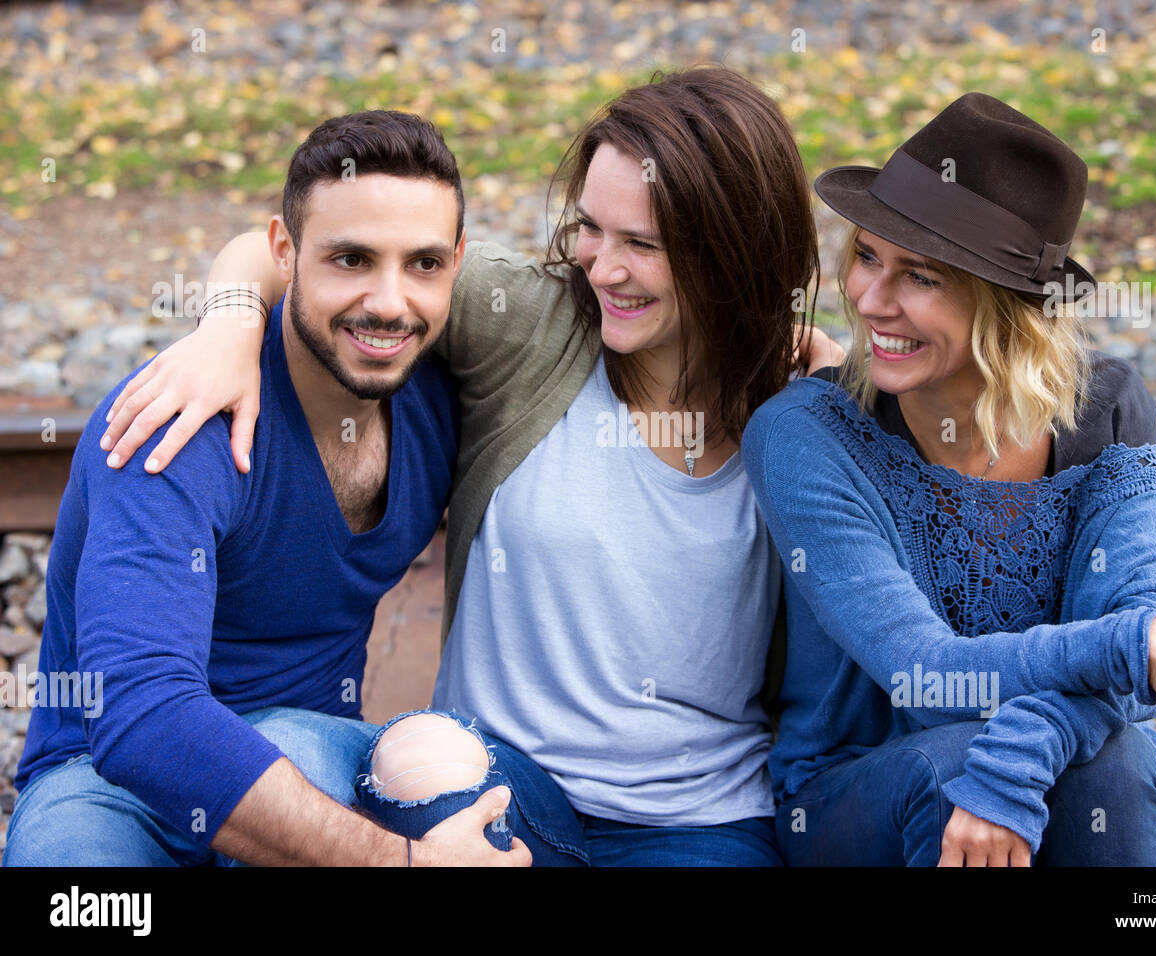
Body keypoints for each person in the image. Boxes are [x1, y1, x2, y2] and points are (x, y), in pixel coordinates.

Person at [91, 67, 835, 866]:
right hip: (493, 781)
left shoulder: (799, 411)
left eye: (642, 245)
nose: (600, 266)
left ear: (734, 256)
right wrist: (230, 330)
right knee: (366, 755)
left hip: (699, 822)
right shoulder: (537, 323)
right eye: (590, 227)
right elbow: (289, 245)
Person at [739, 92, 1156, 865]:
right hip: (854, 800)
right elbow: (925, 675)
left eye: (920, 277)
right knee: (964, 767)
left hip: (1045, 772)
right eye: (867, 256)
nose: (869, 300)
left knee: (1122, 765)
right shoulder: (807, 435)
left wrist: (1031, 742)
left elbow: (1144, 615)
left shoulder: (1104, 408)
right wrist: (1139, 644)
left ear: (1009, 308)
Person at [3, 111, 532, 866]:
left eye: (422, 264)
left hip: (306, 746)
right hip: (104, 777)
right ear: (285, 253)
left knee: (333, 747)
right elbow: (142, 716)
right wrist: (396, 864)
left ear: (457, 262)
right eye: (349, 259)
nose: (388, 303)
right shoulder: (174, 420)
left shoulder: (440, 391)